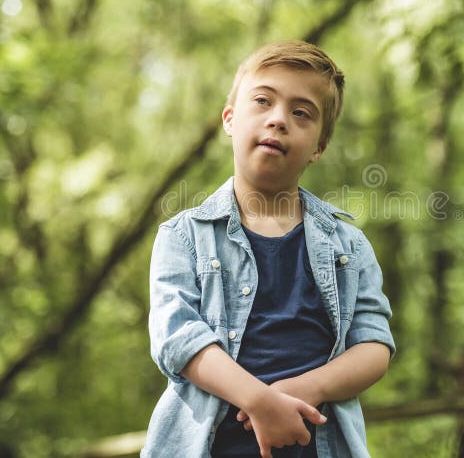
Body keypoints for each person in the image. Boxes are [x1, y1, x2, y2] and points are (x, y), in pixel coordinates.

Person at [141, 40, 395, 458]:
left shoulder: (349, 245)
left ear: (318, 147)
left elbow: (373, 346)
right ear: (229, 119)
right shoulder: (183, 236)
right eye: (263, 101)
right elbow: (178, 339)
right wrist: (259, 401)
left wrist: (308, 388)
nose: (278, 119)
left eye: (301, 113)